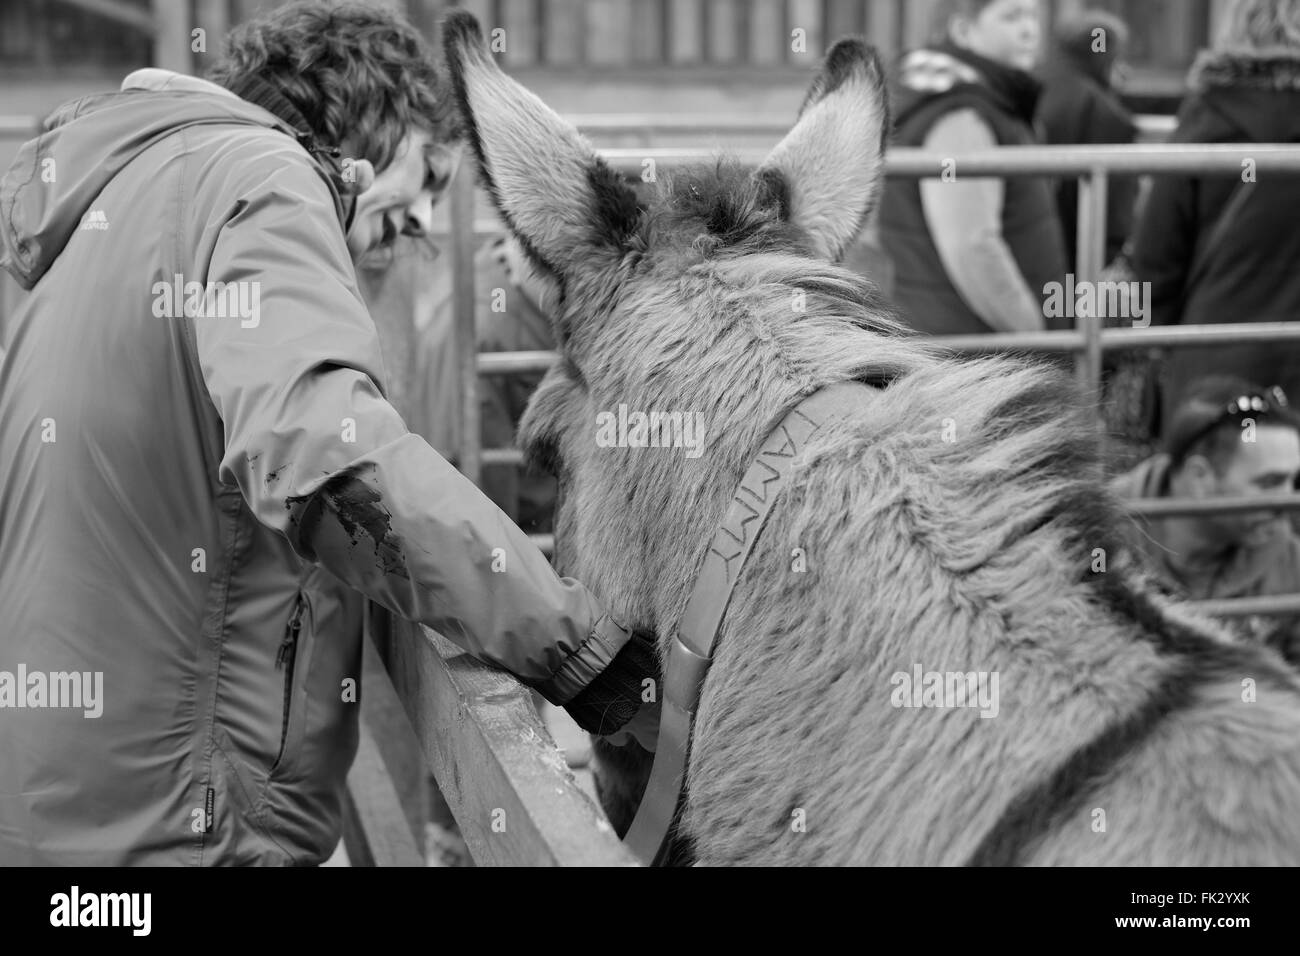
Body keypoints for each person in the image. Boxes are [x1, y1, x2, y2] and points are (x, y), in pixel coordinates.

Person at [0, 1, 655, 866]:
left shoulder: (106, 204)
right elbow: (329, 464)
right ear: (361, 127)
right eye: (426, 175)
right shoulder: (262, 181)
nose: (423, 220)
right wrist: (583, 652)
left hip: (60, 803)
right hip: (186, 822)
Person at [1130, 0, 1300, 436]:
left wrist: (1157, 334)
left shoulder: (1209, 113)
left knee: (1214, 495)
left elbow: (1157, 254)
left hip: (1212, 357)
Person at [874, 0, 1067, 336]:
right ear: (963, 30)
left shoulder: (987, 102)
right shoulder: (960, 114)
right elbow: (973, 246)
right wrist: (1036, 334)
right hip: (975, 358)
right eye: (1011, 16)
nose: (1029, 30)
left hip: (968, 346)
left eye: (1033, 15)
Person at [1110, 375, 1300, 666]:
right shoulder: (1097, 536)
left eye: (1294, 482)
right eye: (1270, 483)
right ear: (1200, 478)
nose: (1287, 501)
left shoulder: (1287, 557)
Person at [1036, 8, 1138, 269]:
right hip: (1077, 260)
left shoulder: (1029, 85)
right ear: (1105, 57)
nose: (1125, 70)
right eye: (1118, 58)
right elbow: (1115, 212)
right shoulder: (1105, 112)